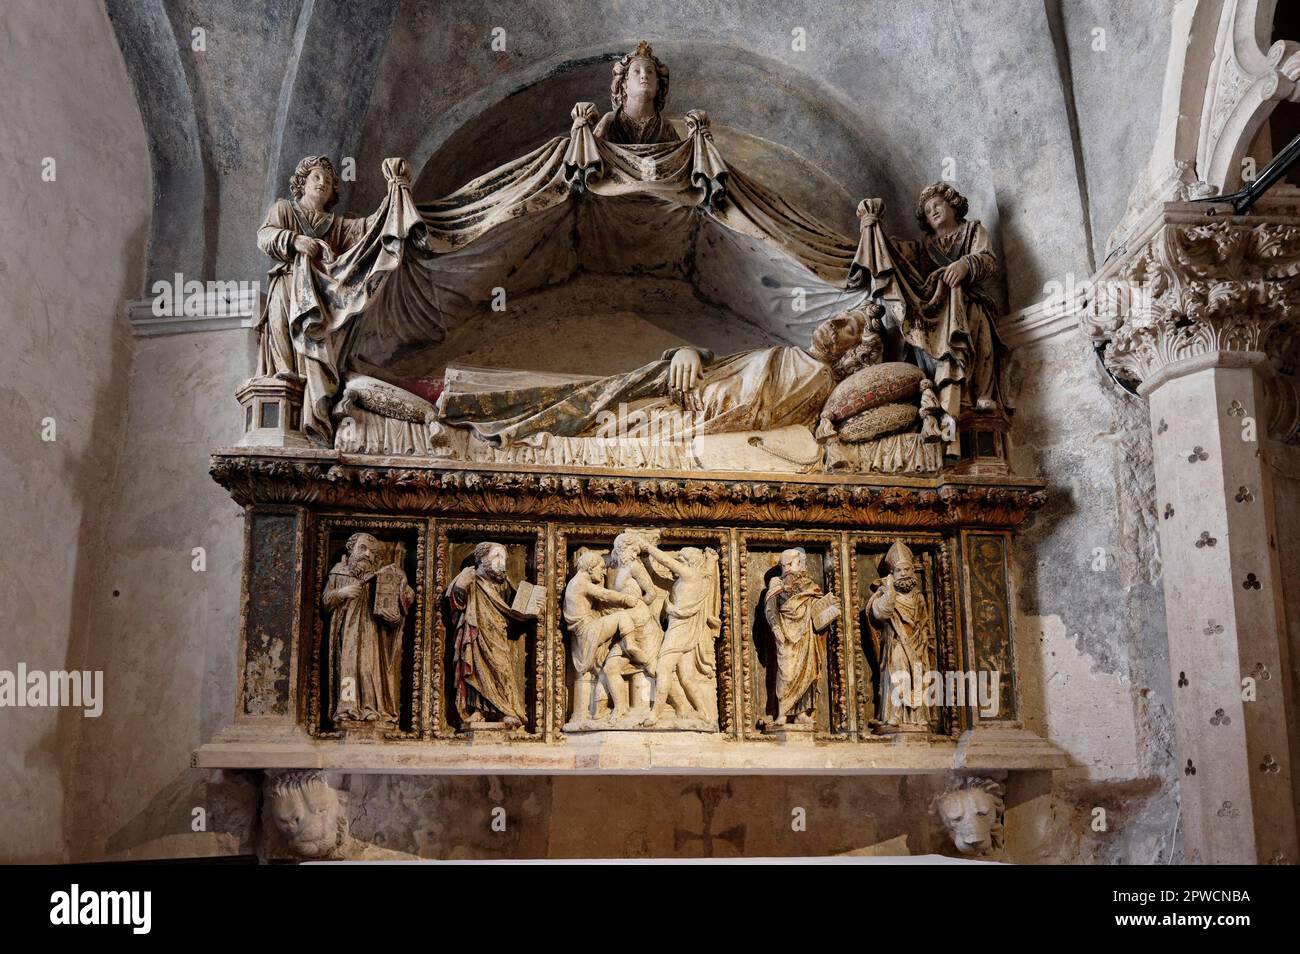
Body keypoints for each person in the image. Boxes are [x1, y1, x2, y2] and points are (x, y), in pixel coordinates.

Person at [853, 182, 1007, 445]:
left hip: (970, 306)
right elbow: (893, 257)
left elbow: (988, 259)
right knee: (933, 351)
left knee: (977, 344)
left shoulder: (972, 231)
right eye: (927, 210)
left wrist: (965, 264)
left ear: (953, 205)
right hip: (937, 316)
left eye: (938, 205)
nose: (933, 212)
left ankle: (976, 394)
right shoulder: (922, 248)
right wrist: (872, 225)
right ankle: (941, 406)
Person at [255, 156, 379, 382]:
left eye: (329, 181)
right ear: (302, 182)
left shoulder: (337, 225)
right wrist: (293, 240)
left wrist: (393, 200)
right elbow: (264, 236)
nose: (322, 182)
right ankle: (286, 373)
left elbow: (367, 229)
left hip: (320, 294)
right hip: (288, 282)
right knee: (282, 327)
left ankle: (311, 386)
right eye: (316, 176)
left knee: (314, 341)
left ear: (333, 191)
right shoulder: (284, 209)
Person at [322, 532, 413, 724]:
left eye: (372, 552)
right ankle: (347, 707)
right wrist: (342, 592)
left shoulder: (381, 577)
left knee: (368, 670)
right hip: (347, 633)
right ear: (351, 549)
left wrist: (404, 593)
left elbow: (400, 600)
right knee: (348, 669)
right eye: (362, 548)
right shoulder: (339, 573)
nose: (367, 554)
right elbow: (325, 601)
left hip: (373, 633)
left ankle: (370, 707)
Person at [446, 541, 533, 728]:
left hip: (498, 635)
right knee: (475, 669)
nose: (501, 563)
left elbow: (515, 610)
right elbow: (455, 604)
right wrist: (461, 586)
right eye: (496, 557)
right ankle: (478, 710)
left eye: (504, 558)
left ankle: (505, 711)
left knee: (501, 668)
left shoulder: (504, 585)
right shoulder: (470, 577)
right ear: (482, 558)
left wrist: (532, 607)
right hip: (476, 634)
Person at [765, 548, 825, 725]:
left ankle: (801, 713)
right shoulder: (776, 582)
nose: (792, 568)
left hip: (806, 634)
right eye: (787, 564)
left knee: (806, 672)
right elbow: (770, 605)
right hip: (785, 632)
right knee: (787, 672)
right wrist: (775, 627)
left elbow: (816, 603)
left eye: (796, 563)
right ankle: (782, 711)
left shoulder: (808, 584)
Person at [593, 41, 680, 145]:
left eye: (650, 72)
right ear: (624, 84)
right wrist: (580, 128)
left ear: (658, 85)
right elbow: (591, 153)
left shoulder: (665, 126)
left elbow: (684, 156)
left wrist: (698, 135)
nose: (644, 76)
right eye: (636, 71)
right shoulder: (610, 122)